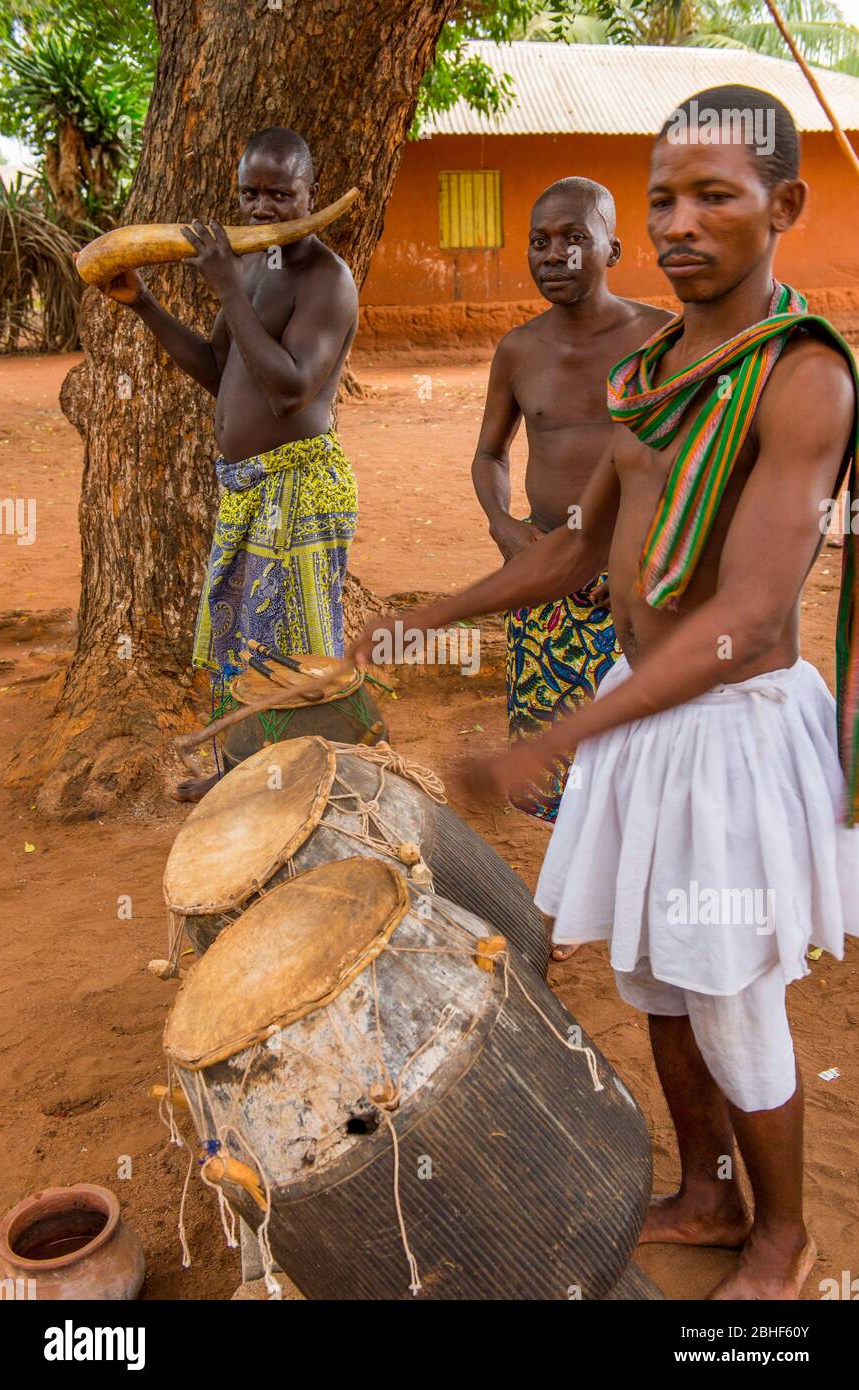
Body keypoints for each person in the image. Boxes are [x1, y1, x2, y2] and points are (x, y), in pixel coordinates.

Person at [352, 85, 859, 1299]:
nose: (680, 222)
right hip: (642, 712)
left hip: (725, 737)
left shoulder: (800, 382)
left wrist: (557, 737)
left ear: (783, 206)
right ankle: (708, 1189)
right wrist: (428, 615)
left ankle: (781, 1238)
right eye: (664, 199)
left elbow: (741, 624)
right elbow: (579, 547)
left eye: (713, 197)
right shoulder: (656, 370)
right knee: (656, 978)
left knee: (729, 993)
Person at [95, 127, 359, 800]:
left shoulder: (327, 278)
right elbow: (219, 369)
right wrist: (146, 305)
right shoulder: (248, 268)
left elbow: (291, 386)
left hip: (298, 486)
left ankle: (315, 788)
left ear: (310, 193)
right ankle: (242, 780)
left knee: (297, 649)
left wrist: (225, 289)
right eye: (250, 193)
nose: (263, 209)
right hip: (245, 489)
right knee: (239, 638)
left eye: (280, 194)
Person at [471, 178, 670, 857]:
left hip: (642, 579)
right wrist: (503, 526)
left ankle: (642, 891)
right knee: (551, 769)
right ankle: (569, 896)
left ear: (612, 248)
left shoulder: (660, 341)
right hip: (547, 581)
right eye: (539, 242)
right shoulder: (518, 351)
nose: (553, 255)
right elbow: (489, 454)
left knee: (645, 751)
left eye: (574, 239)